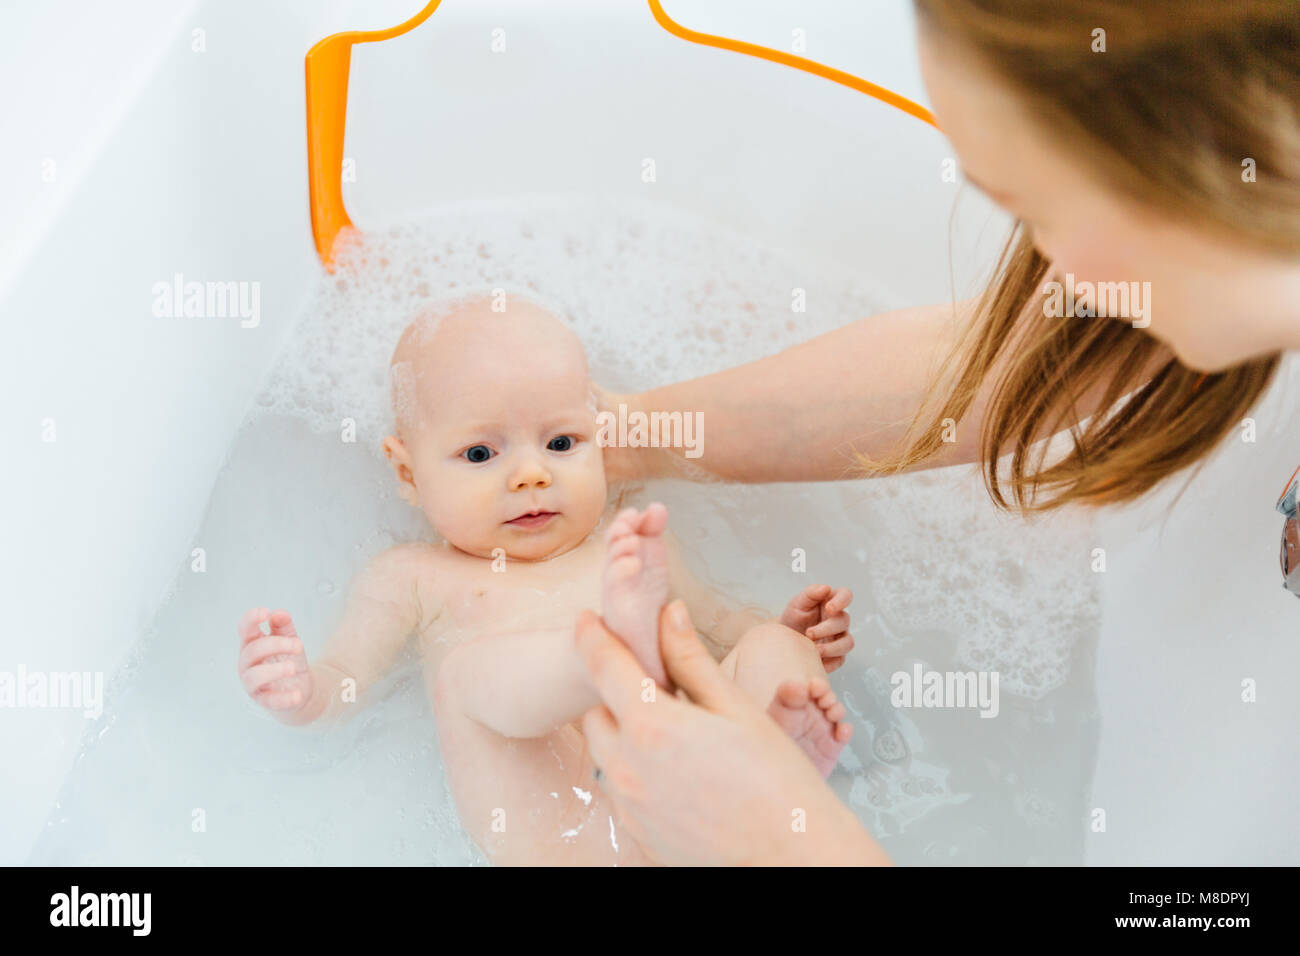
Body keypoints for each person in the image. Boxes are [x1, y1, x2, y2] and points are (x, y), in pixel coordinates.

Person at [575, 0, 1300, 865]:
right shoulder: (1221, 275)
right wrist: (617, 438)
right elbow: (1026, 365)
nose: (1051, 271)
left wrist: (783, 840)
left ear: (1227, 153)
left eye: (1038, 205)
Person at [235, 296, 857, 866]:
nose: (532, 473)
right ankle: (605, 655)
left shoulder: (630, 543)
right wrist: (304, 691)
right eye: (481, 454)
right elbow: (347, 684)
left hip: (689, 813)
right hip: (570, 834)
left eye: (562, 442)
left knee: (773, 649)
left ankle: (767, 768)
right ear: (407, 472)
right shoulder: (412, 577)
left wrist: (789, 636)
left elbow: (720, 624)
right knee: (465, 681)